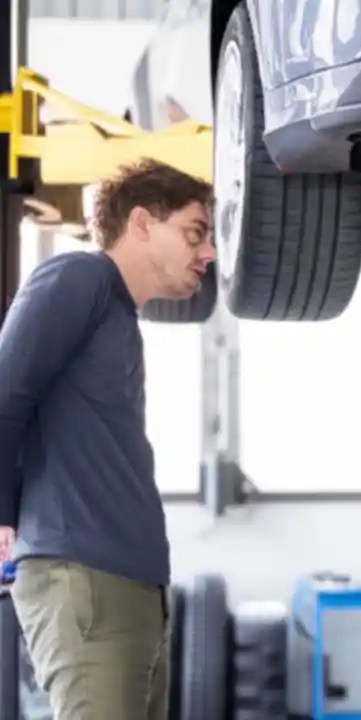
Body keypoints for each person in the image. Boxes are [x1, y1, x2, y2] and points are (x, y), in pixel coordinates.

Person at [0, 159, 215, 719]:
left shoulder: (119, 318)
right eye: (195, 232)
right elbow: (5, 391)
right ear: (142, 222)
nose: (208, 253)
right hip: (85, 579)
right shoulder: (78, 278)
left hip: (127, 584)